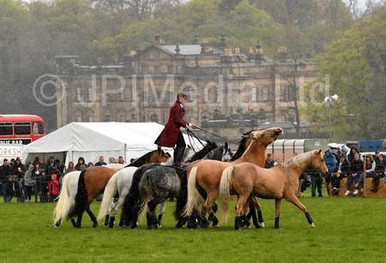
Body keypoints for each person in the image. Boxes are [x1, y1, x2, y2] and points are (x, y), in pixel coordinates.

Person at [154, 93, 197, 166]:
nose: (185, 101)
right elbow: (178, 120)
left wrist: (189, 125)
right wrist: (187, 125)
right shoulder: (177, 107)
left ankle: (176, 162)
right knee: (182, 145)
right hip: (173, 129)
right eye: (185, 99)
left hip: (175, 129)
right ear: (180, 98)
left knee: (180, 145)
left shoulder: (178, 106)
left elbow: (180, 119)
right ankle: (177, 162)